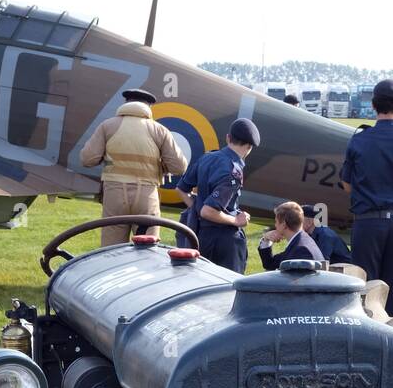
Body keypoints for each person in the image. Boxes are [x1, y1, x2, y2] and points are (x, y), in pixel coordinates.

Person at [339, 78, 393, 315]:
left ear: (374, 107)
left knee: (365, 286)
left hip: (368, 222)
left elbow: (346, 185)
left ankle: (368, 338)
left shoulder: (359, 140)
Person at [80, 96, 186, 245]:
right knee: (147, 249)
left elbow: (87, 159)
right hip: (146, 195)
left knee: (112, 250)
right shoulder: (159, 130)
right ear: (148, 106)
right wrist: (160, 166)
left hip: (114, 194)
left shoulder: (107, 126)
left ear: (125, 103)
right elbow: (179, 167)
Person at [176, 118, 260, 271]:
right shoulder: (234, 171)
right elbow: (208, 211)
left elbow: (181, 189)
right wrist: (236, 220)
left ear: (228, 138)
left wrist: (196, 207)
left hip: (199, 235)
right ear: (249, 147)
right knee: (228, 289)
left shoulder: (207, 158)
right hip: (223, 241)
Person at [258, 201, 325, 268]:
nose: (275, 225)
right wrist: (266, 239)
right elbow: (270, 264)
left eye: (276, 221)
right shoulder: (301, 240)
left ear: (284, 225)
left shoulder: (301, 250)